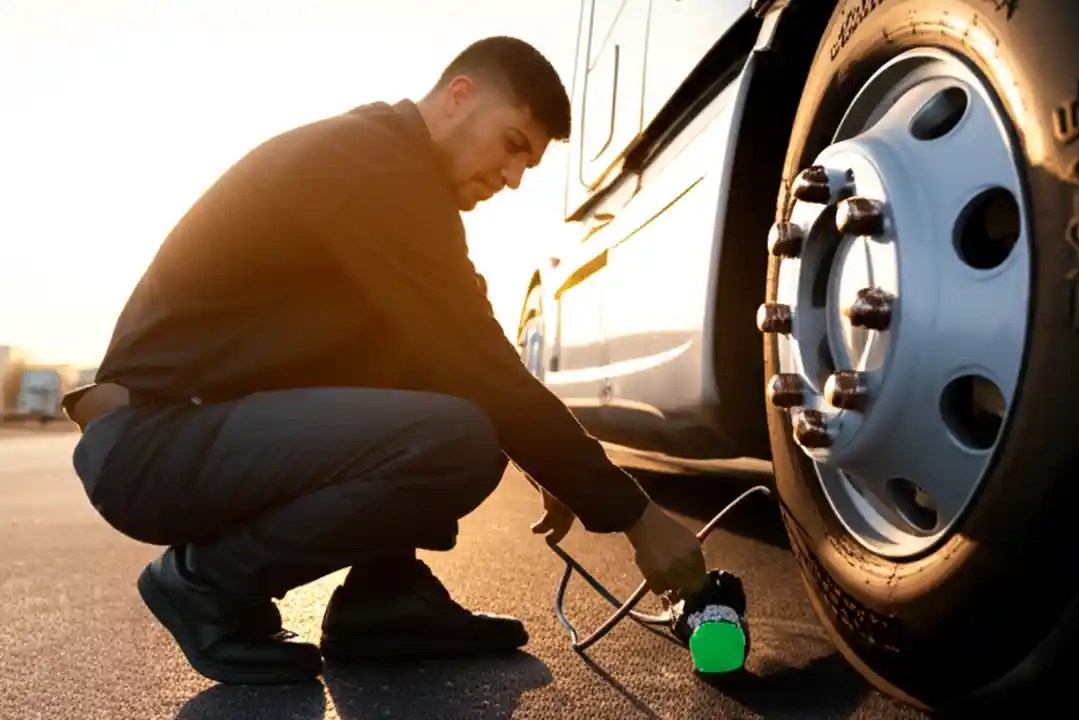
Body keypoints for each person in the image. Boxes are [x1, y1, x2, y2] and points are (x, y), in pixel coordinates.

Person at [64, 35, 708, 686]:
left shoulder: (393, 178)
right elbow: (476, 358)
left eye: (529, 166)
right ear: (460, 97)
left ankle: (385, 601)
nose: (514, 178)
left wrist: (547, 457)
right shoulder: (371, 162)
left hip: (185, 435)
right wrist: (636, 516)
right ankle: (204, 583)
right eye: (514, 144)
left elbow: (457, 353)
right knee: (458, 439)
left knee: (447, 401)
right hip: (154, 442)